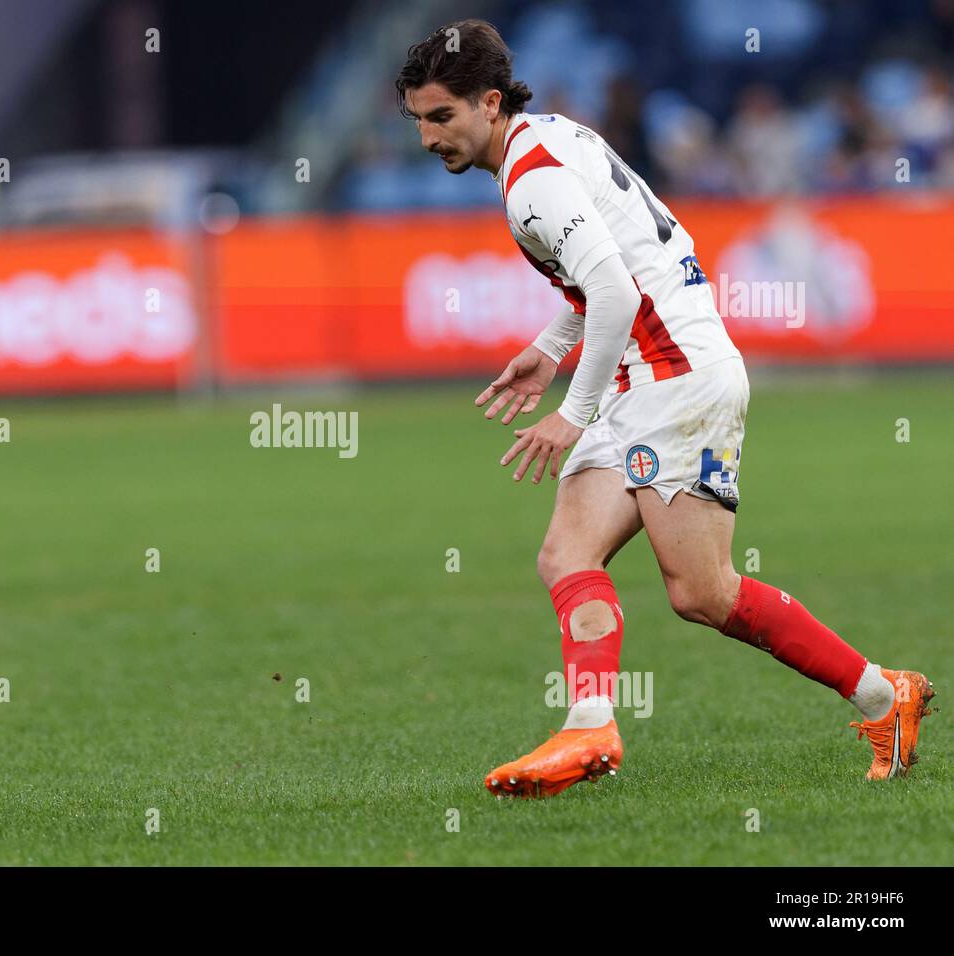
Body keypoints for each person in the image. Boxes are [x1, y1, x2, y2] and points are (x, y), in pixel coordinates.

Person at [395, 20, 934, 797]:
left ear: (487, 103)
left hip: (674, 379)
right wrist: (551, 346)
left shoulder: (531, 182)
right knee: (566, 554)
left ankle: (886, 697)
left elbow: (615, 289)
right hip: (642, 373)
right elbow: (625, 262)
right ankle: (588, 730)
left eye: (440, 117)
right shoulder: (550, 137)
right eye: (416, 119)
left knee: (703, 593)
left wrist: (570, 412)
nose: (425, 137)